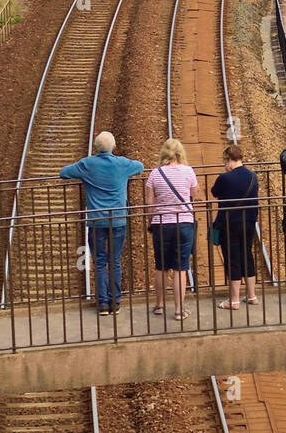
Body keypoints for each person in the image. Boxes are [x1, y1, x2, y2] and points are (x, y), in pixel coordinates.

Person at [59, 132, 144, 315]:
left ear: (95, 149)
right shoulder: (122, 163)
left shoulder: (87, 164)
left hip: (97, 221)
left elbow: (63, 173)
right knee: (114, 261)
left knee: (99, 262)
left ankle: (103, 304)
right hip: (118, 219)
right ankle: (115, 302)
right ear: (113, 147)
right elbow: (140, 166)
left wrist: (84, 174)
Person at [145, 138, 197, 321]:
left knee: (161, 266)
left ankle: (159, 305)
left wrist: (150, 221)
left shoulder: (154, 174)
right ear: (180, 153)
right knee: (180, 268)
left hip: (161, 224)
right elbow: (193, 194)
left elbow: (150, 203)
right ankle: (179, 310)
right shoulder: (189, 171)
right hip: (184, 223)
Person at [211, 143, 258, 309]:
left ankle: (234, 300)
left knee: (232, 259)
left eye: (226, 162)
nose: (225, 165)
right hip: (250, 221)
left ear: (230, 160)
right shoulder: (253, 176)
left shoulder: (225, 177)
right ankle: (252, 295)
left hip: (230, 223)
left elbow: (214, 192)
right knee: (247, 255)